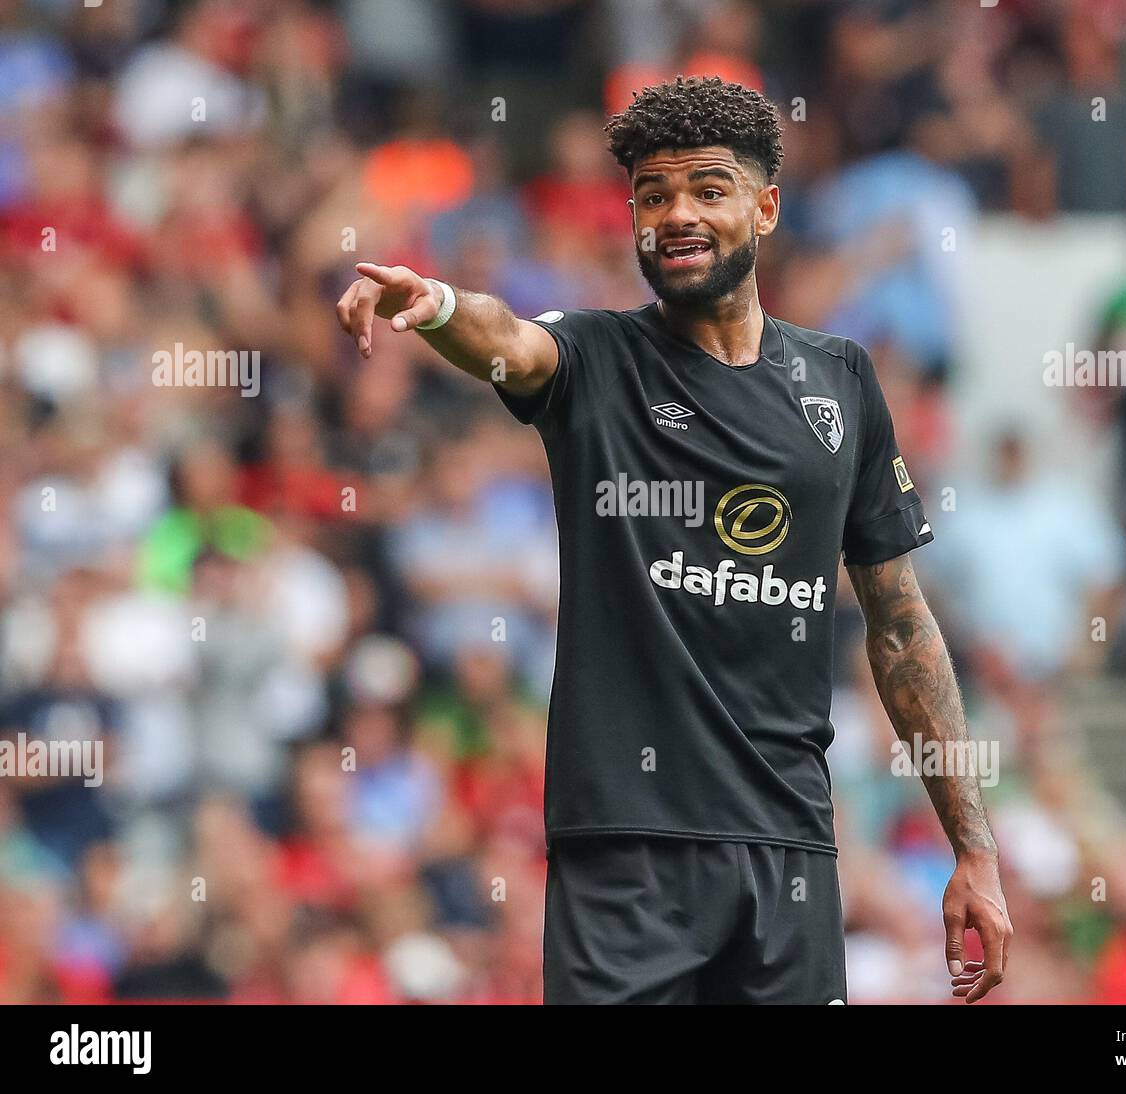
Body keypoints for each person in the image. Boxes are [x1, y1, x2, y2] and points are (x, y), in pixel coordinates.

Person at [335, 76, 1011, 1005]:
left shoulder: (842, 382)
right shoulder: (597, 361)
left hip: (791, 852)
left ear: (765, 205)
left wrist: (974, 849)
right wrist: (445, 305)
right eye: (652, 196)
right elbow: (515, 342)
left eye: (706, 189)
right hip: (629, 856)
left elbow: (900, 627)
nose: (677, 215)